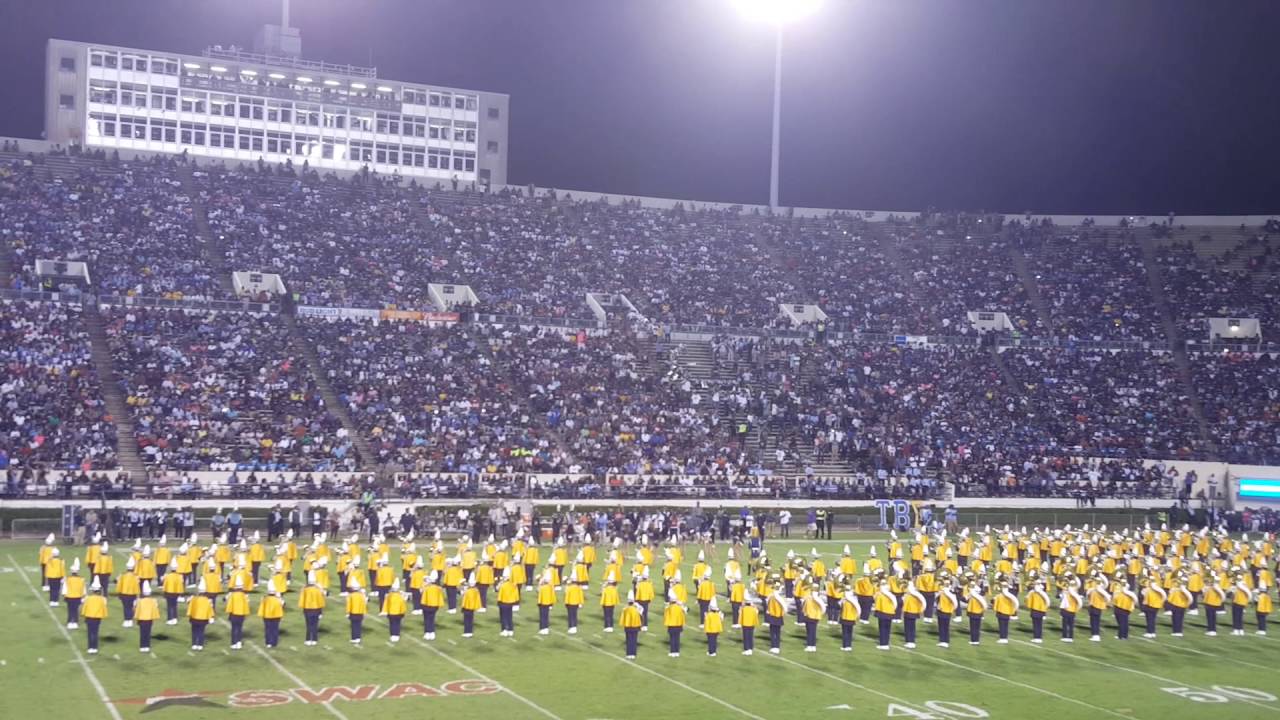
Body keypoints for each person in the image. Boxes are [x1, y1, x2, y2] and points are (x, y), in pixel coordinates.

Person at [299, 570, 327, 646]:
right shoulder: (318, 589)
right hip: (316, 609)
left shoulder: (304, 589)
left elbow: (302, 600)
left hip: (307, 609)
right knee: (315, 625)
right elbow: (321, 601)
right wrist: (321, 611)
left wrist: (303, 608)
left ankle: (308, 639)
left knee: (308, 625)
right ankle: (314, 639)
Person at [82, 577, 108, 655]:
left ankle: (90, 647)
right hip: (97, 618)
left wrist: (83, 614)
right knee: (95, 632)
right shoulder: (102, 599)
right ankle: (95, 647)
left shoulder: (88, 598)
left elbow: (84, 606)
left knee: (90, 632)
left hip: (89, 617)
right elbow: (104, 605)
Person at [187, 578, 215, 651]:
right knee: (201, 631)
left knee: (194, 631)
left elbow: (189, 604)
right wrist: (211, 617)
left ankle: (194, 644)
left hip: (194, 618)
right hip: (203, 618)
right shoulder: (208, 600)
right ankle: (200, 644)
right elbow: (210, 609)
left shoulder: (194, 599)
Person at [134, 581, 160, 653]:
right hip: (149, 619)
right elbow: (155, 609)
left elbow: (136, 610)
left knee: (142, 633)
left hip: (142, 619)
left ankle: (142, 646)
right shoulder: (153, 601)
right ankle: (147, 646)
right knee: (148, 632)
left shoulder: (140, 601)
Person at [227, 576, 251, 650]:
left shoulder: (233, 595)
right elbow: (246, 605)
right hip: (241, 614)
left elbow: (230, 605)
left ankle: (234, 643)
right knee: (239, 628)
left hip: (234, 614)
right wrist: (246, 613)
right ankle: (239, 642)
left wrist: (229, 612)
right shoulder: (244, 595)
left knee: (234, 628)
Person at [420, 571, 444, 640]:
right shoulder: (438, 588)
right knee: (432, 619)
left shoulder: (427, 587)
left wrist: (424, 583)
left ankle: (427, 632)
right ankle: (432, 632)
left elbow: (421, 593)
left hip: (427, 605)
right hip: (435, 606)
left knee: (427, 619)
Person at [874, 579, 897, 650]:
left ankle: (883, 644)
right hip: (890, 613)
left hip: (882, 613)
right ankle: (886, 643)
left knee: (882, 629)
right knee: (887, 629)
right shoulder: (892, 595)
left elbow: (875, 600)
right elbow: (895, 604)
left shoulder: (879, 595)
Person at [1026, 578, 1051, 643]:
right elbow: (1048, 601)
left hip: (1035, 609)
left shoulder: (1032, 592)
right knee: (1039, 624)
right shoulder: (1042, 592)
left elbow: (1027, 599)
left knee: (1036, 624)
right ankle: (1039, 637)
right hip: (1041, 610)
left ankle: (1036, 637)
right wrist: (1045, 608)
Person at [117, 557, 140, 628]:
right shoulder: (135, 577)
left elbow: (119, 585)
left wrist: (119, 593)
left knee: (126, 607)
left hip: (124, 593)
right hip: (133, 594)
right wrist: (137, 595)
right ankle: (130, 620)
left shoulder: (123, 576)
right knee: (131, 607)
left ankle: (126, 620)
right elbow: (137, 587)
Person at [663, 589, 686, 657]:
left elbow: (666, 615)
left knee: (672, 638)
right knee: (677, 638)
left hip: (671, 625)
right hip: (679, 625)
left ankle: (672, 651)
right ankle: (677, 651)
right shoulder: (680, 607)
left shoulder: (669, 608)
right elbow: (685, 612)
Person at [621, 592, 644, 660]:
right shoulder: (637, 609)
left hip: (628, 626)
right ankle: (633, 654)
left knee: (628, 640)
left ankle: (629, 654)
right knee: (634, 640)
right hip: (635, 626)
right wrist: (637, 605)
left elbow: (623, 618)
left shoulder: (625, 609)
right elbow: (642, 612)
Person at [63, 559, 85, 628]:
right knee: (75, 610)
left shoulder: (67, 579)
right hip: (78, 597)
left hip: (69, 596)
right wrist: (83, 597)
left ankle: (70, 622)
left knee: (70, 610)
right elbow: (83, 589)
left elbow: (65, 588)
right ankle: (75, 622)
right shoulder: (81, 579)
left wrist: (64, 595)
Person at [346, 577, 367, 645]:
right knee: (358, 625)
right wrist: (364, 613)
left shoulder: (351, 595)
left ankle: (354, 638)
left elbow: (349, 605)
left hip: (353, 612)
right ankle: (358, 638)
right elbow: (364, 605)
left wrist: (347, 613)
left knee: (354, 626)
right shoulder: (362, 595)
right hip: (360, 613)